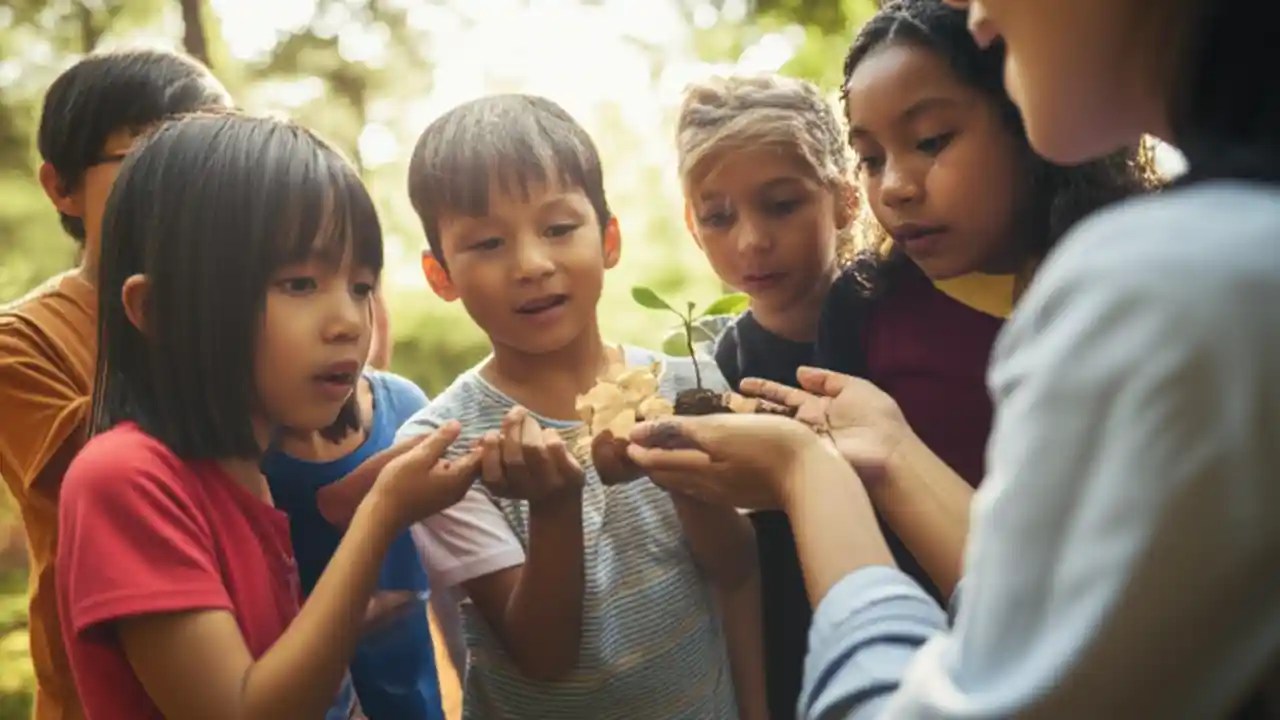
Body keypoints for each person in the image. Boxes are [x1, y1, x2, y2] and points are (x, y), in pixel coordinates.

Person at [626, 0, 1280, 715]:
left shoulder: (1173, 288)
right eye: (871, 156)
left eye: (932, 139)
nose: (982, 17)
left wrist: (805, 472)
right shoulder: (871, 306)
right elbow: (1046, 615)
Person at [55, 112, 483, 720]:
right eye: (300, 283)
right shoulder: (124, 479)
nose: (348, 323)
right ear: (157, 310)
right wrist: (382, 513)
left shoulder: (254, 473)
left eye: (361, 286)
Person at [400, 94, 765, 719]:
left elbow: (734, 568)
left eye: (559, 229)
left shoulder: (685, 383)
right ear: (441, 276)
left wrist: (675, 468)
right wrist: (553, 506)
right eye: (487, 243)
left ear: (610, 239)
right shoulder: (443, 449)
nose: (532, 265)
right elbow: (542, 656)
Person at [0, 49, 230, 720]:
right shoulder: (21, 343)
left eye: (208, 155)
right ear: (61, 187)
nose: (187, 185)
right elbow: (130, 478)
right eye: (150, 159)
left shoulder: (262, 309)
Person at [674, 73, 854, 719]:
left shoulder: (897, 321)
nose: (750, 240)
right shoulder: (713, 375)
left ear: (845, 199)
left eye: (780, 205)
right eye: (719, 217)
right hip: (787, 660)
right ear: (694, 229)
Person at [263, 368, 446, 720]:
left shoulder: (405, 408)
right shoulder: (240, 464)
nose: (346, 324)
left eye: (362, 306)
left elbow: (454, 603)